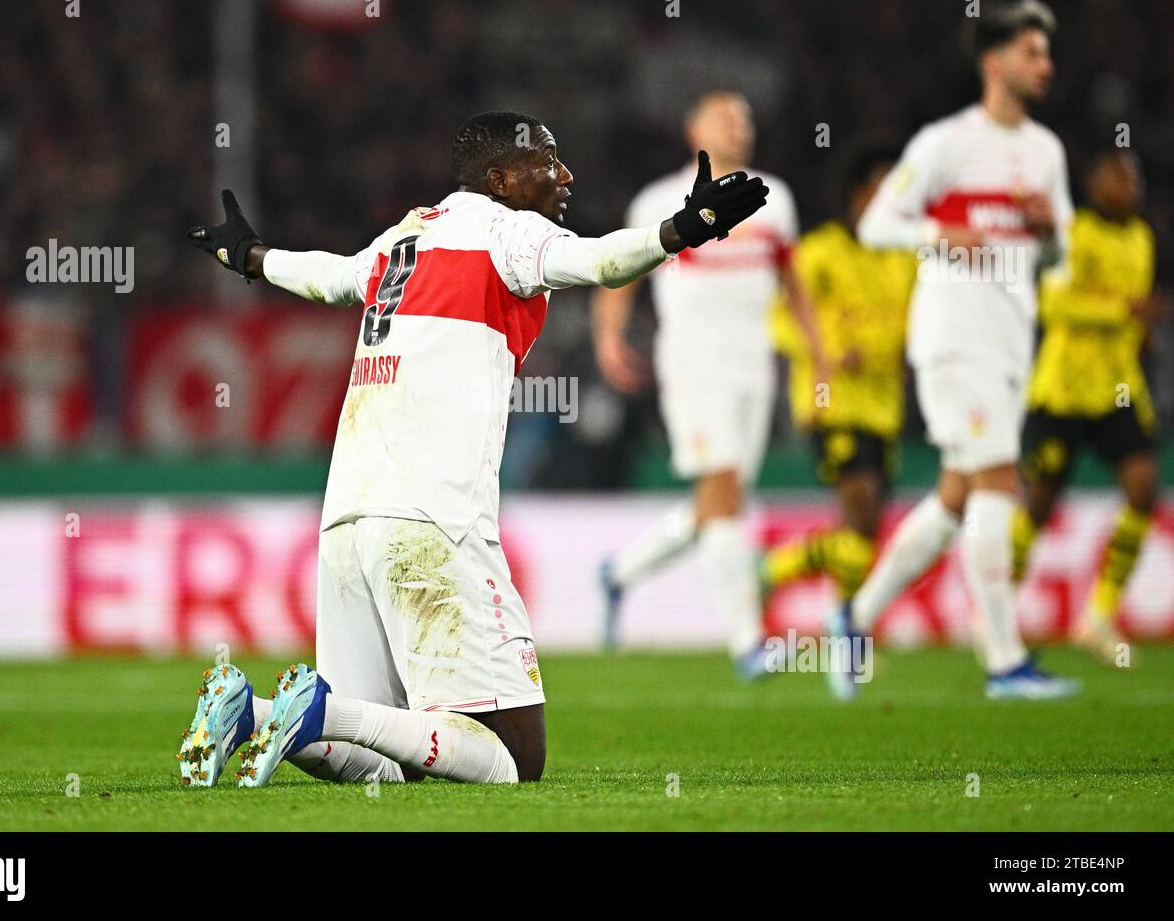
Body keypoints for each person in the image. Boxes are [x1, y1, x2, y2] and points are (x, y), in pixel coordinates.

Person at [177, 111, 769, 786]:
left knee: (382, 768)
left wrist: (252, 258)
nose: (565, 174)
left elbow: (331, 276)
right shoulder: (510, 232)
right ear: (502, 179)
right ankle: (316, 710)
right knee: (514, 758)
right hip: (433, 517)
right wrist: (682, 231)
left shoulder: (405, 235)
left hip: (346, 518)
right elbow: (602, 262)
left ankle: (247, 712)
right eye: (548, 160)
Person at [832, 0, 1079, 700]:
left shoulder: (1046, 152)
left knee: (955, 493)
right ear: (994, 61)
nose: (1046, 65)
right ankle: (1004, 662)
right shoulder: (946, 143)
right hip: (952, 339)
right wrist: (938, 236)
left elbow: (1055, 261)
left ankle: (857, 615)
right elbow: (876, 223)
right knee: (1001, 481)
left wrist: (1047, 230)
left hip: (1008, 340)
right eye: (1033, 52)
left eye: (1047, 52)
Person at [593, 91, 825, 677]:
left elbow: (793, 282)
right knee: (722, 492)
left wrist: (817, 355)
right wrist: (609, 339)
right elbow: (619, 270)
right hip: (693, 363)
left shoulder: (775, 199)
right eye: (725, 116)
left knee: (720, 503)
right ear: (691, 127)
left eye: (746, 116)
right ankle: (749, 642)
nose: (738, 126)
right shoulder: (661, 199)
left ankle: (619, 571)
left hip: (756, 364)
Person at [1013, 148, 1168, 664]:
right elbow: (1055, 304)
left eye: (1133, 177)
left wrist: (1141, 332)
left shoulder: (1142, 238)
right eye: (1117, 177)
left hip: (1118, 391)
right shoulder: (1072, 233)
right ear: (1093, 183)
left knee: (1144, 491)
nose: (1128, 186)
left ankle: (1097, 616)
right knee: (1038, 505)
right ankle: (996, 607)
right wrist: (1124, 310)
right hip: (1063, 391)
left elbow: (1133, 310)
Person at [760, 147, 916, 619]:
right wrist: (827, 351)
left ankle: (778, 571)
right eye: (882, 191)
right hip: (831, 403)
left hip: (883, 406)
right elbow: (779, 321)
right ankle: (844, 621)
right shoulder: (819, 252)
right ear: (858, 195)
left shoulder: (904, 259)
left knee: (862, 532)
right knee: (862, 506)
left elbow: (918, 324)